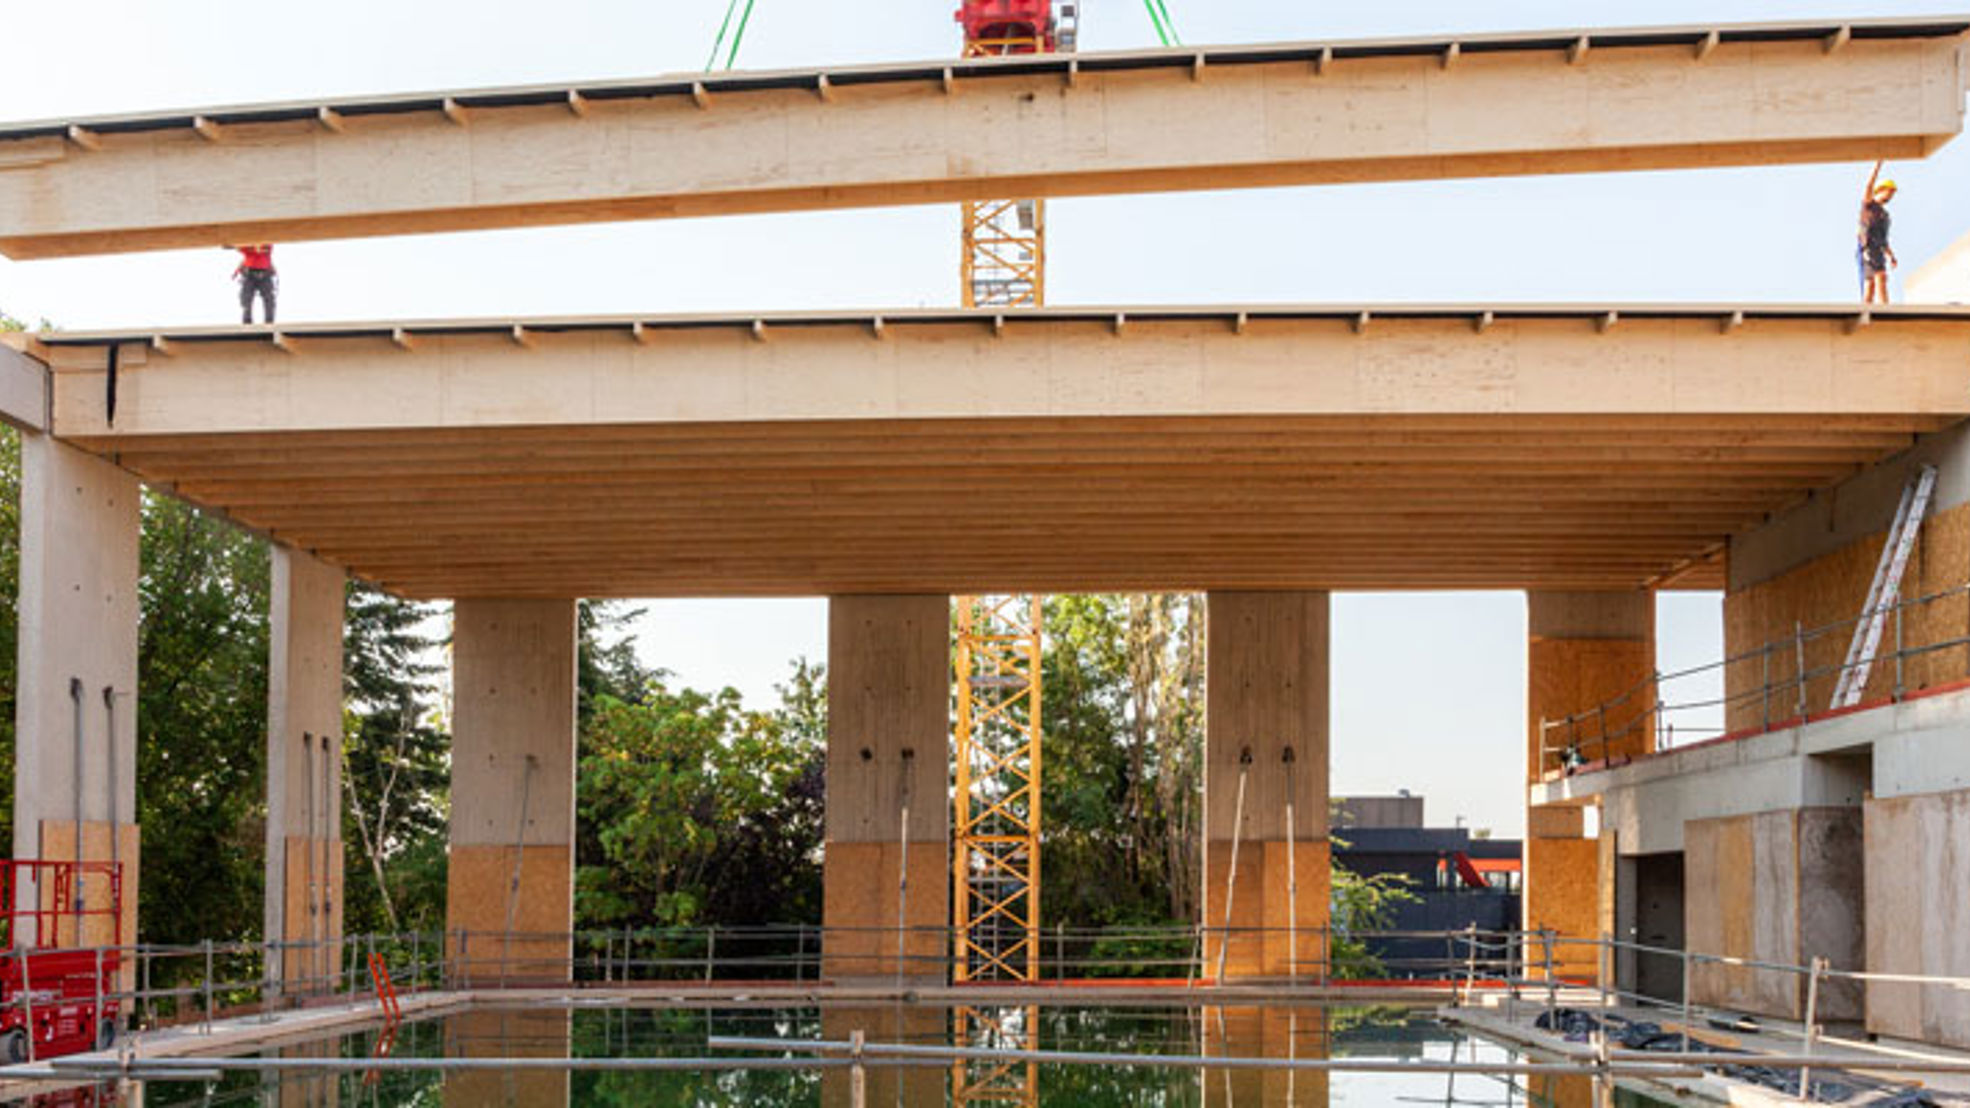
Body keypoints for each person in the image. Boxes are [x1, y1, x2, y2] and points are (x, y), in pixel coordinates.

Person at [1858, 162, 1898, 304]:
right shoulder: (1869, 205)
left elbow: (1883, 239)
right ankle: (1885, 307)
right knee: (1880, 277)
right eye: (1889, 192)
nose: (1890, 196)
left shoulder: (1884, 215)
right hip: (1868, 247)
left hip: (1878, 249)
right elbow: (1868, 185)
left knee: (1871, 285)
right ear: (1880, 190)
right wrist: (1878, 166)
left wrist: (1891, 255)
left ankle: (1866, 309)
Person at [229, 244, 277, 324]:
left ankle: (269, 322)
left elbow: (263, 251)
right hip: (250, 274)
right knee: (246, 299)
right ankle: (247, 322)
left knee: (269, 300)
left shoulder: (266, 244)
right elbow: (245, 251)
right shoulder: (249, 245)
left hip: (264, 273)